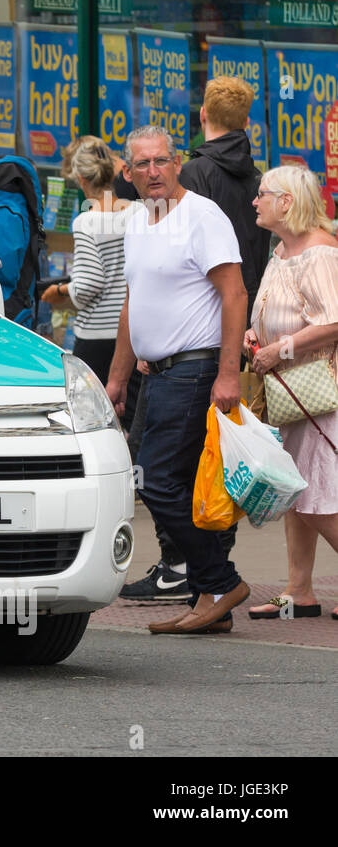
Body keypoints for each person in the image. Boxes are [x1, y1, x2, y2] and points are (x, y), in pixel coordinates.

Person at [105, 125, 250, 634]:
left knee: (158, 479)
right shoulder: (136, 221)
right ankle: (209, 599)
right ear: (127, 173)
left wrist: (228, 373)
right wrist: (116, 381)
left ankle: (220, 579)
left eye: (161, 161)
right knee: (175, 484)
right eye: (142, 165)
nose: (153, 172)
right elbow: (132, 301)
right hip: (155, 373)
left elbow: (234, 294)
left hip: (194, 369)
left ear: (178, 164)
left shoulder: (202, 216)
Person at [241, 166, 338, 621]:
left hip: (318, 392)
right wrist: (255, 335)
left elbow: (334, 321)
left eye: (263, 194)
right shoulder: (282, 249)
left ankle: (300, 590)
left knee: (319, 497)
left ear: (287, 202)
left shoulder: (319, 252)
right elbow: (279, 310)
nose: (255, 201)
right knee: (299, 494)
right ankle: (300, 590)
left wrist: (281, 348)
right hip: (289, 390)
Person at [40, 137, 141, 389]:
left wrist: (60, 291)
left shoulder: (87, 223)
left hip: (97, 334)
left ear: (82, 180)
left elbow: (88, 284)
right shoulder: (138, 212)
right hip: (133, 331)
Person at [179, 76, 272, 318]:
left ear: (202, 114)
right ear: (246, 122)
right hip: (251, 313)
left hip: (203, 313)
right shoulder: (261, 180)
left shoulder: (192, 174)